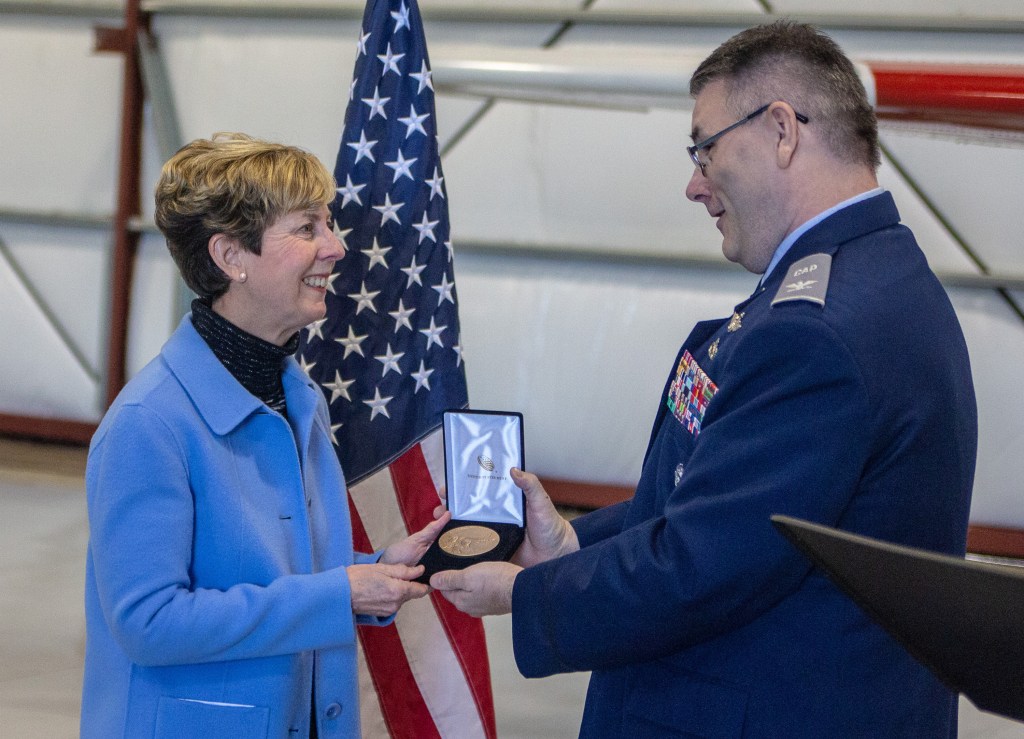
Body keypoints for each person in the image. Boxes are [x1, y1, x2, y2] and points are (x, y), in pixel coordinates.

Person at [431, 21, 978, 737]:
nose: (694, 184)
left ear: (782, 130)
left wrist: (530, 591)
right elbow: (722, 501)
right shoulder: (878, 276)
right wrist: (573, 544)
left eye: (705, 148)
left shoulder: (815, 330)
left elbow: (701, 567)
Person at [81, 132, 448, 739]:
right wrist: (339, 595)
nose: (335, 248)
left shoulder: (295, 394)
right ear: (231, 257)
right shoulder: (147, 425)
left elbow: (275, 568)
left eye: (327, 225)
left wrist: (379, 570)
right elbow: (148, 621)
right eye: (307, 228)